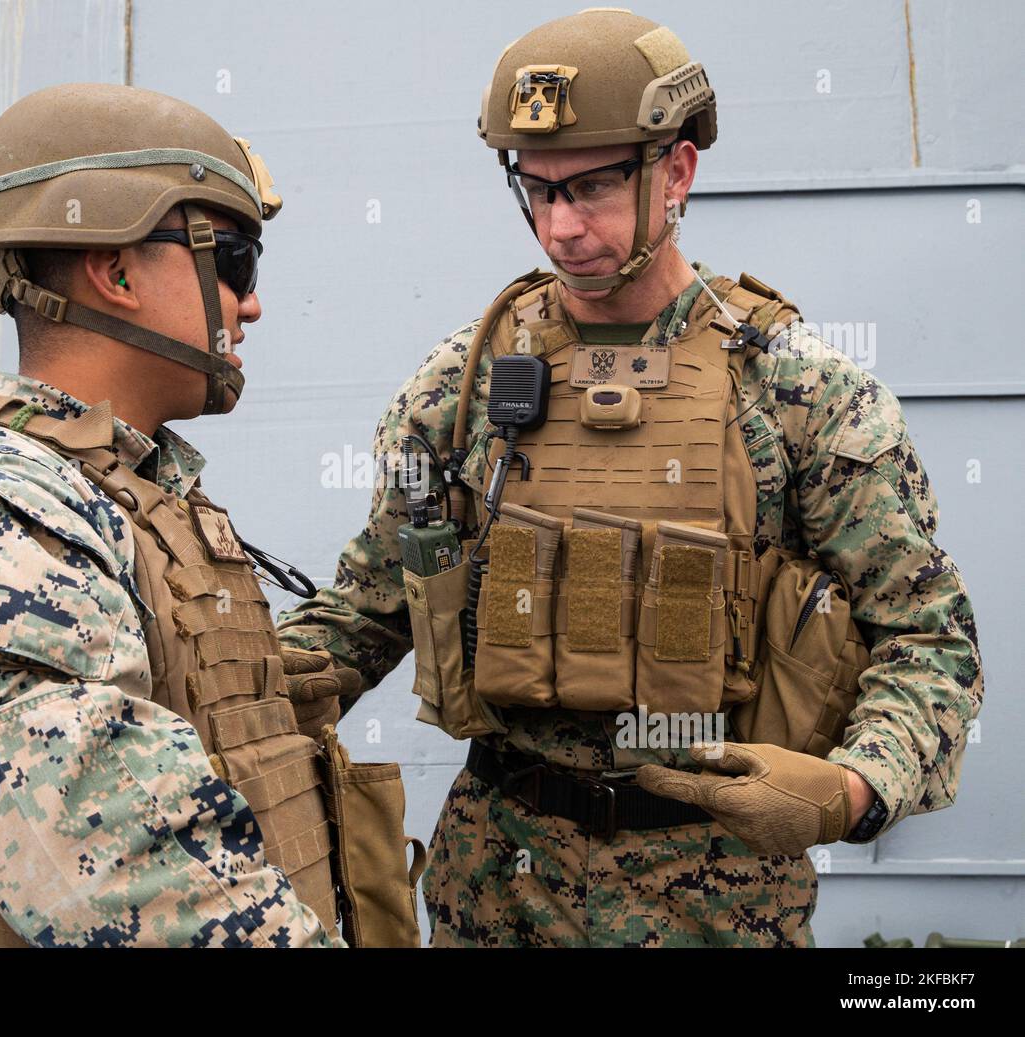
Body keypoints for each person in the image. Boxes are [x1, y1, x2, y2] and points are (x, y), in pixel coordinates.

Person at [276, 9, 984, 947]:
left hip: (719, 900)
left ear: (677, 171)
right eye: (537, 191)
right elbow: (370, 609)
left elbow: (931, 647)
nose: (562, 227)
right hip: (500, 889)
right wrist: (247, 679)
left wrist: (849, 790)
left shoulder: (799, 392)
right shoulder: (461, 389)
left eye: (595, 187)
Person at [0, 83, 366, 948]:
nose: (250, 303)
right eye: (232, 258)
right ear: (117, 270)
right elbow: (125, 874)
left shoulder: (108, 491)